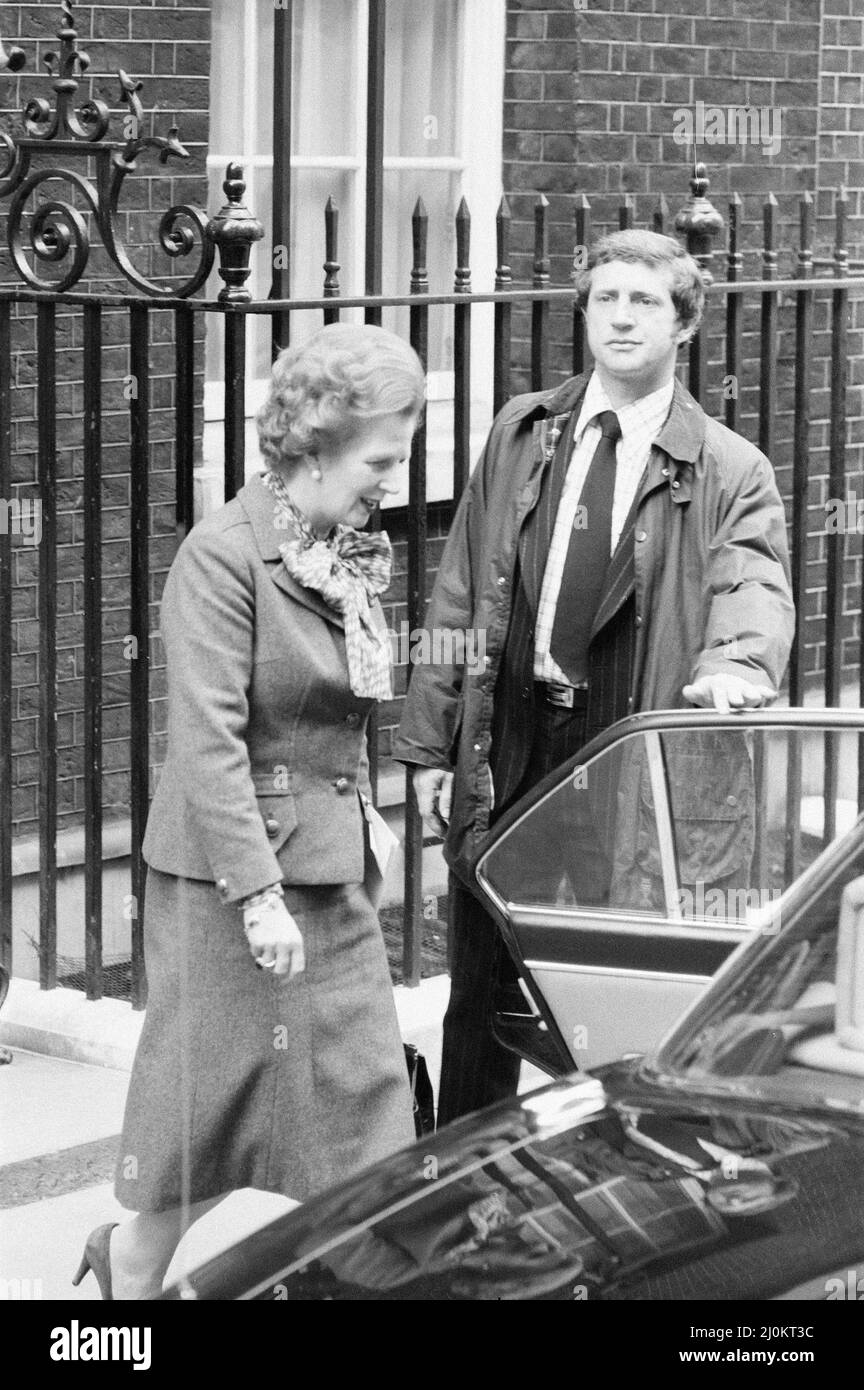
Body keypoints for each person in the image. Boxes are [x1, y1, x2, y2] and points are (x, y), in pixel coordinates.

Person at [394, 229, 795, 1126]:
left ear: (682, 324)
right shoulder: (523, 431)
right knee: (484, 988)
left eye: (644, 302)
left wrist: (735, 664)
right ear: (584, 312)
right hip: (517, 736)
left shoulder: (730, 468)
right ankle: (467, 1186)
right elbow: (462, 588)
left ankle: (623, 1177)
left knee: (621, 984)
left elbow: (752, 583)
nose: (621, 317)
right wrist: (428, 743)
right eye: (605, 298)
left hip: (627, 747)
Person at [74, 323, 425, 1299]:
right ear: (316, 443)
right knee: (222, 1106)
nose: (391, 480)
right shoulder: (222, 559)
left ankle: (355, 1280)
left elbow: (337, 706)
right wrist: (260, 895)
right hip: (233, 883)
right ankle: (136, 1263)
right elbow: (207, 742)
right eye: (381, 458)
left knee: (362, 1099)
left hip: (328, 866)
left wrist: (366, 808)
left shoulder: (346, 548)